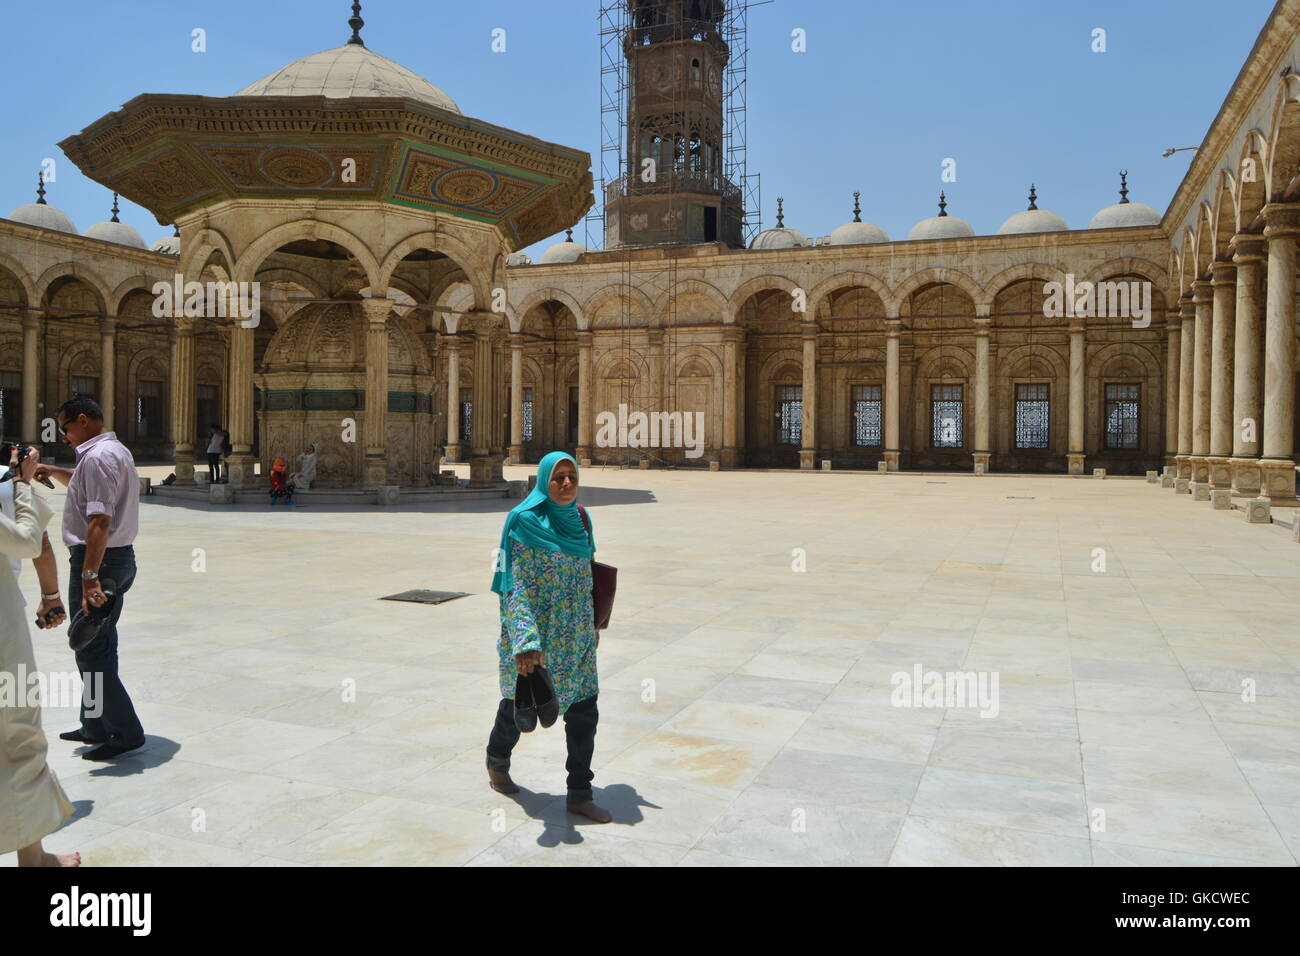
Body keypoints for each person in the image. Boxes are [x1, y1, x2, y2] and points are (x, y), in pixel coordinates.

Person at [486, 451, 610, 823]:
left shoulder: (580, 519)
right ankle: (497, 760)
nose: (567, 484)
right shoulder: (522, 521)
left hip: (575, 637)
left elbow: (588, 576)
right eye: (558, 478)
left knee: (584, 712)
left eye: (572, 476)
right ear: (543, 481)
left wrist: (594, 626)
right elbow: (514, 584)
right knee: (518, 706)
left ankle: (579, 792)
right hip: (533, 639)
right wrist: (525, 643)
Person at [34, 396, 144, 761]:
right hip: (116, 559)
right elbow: (86, 490)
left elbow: (99, 521)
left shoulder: (97, 458)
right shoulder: (113, 451)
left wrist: (90, 579)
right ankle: (95, 724)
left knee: (91, 648)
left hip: (101, 561)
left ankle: (126, 732)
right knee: (97, 644)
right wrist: (53, 471)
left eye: (65, 428)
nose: (64, 436)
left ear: (82, 420)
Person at [0, 444, 79, 866]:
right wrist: (23, 486)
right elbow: (30, 543)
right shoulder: (8, 484)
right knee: (18, 736)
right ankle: (33, 861)